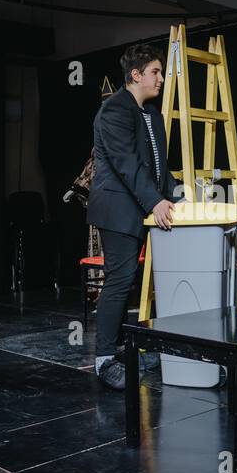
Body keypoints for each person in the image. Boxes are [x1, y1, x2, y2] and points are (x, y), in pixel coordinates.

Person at [87, 43, 179, 391]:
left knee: (138, 283)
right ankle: (104, 360)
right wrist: (155, 202)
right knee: (119, 281)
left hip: (143, 204)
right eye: (155, 72)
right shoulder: (114, 110)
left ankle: (128, 347)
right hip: (117, 207)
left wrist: (175, 194)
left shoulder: (151, 113)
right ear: (136, 75)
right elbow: (126, 164)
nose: (160, 78)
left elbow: (157, 166)